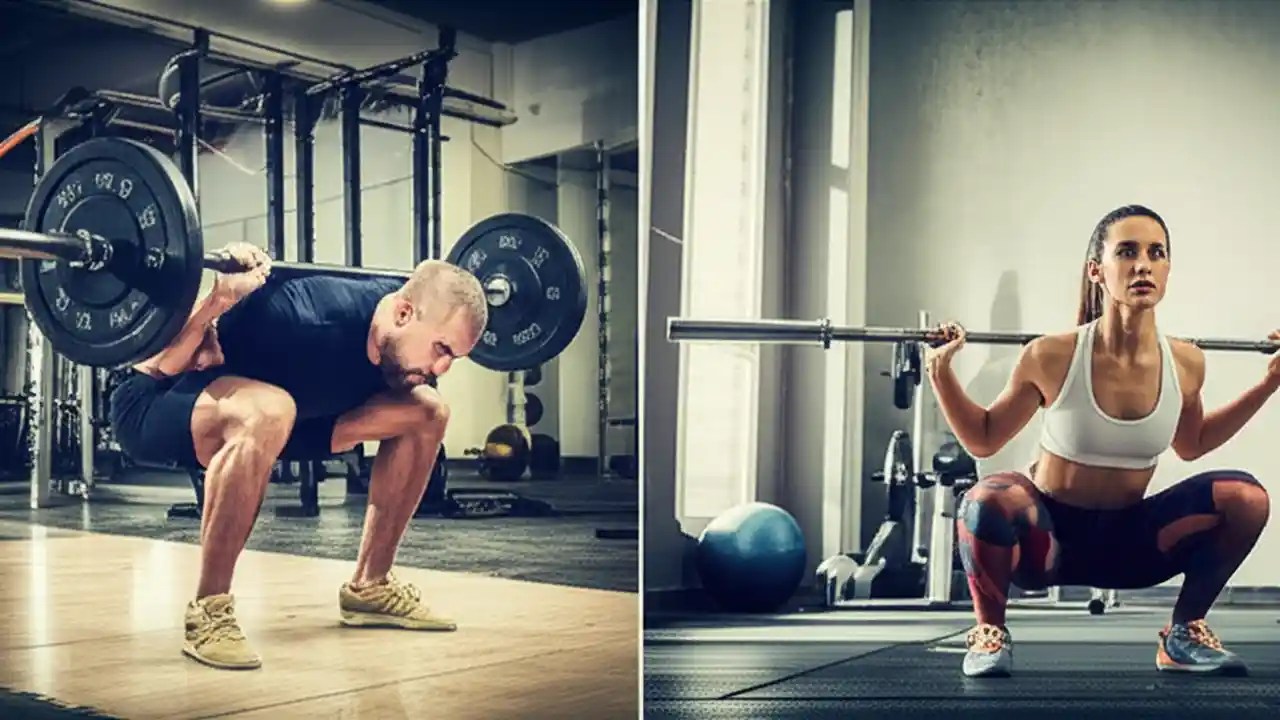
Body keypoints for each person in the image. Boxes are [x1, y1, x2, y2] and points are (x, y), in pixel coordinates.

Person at [924, 205, 1272, 678]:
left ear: (1168, 269)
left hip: (1129, 546)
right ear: (1096, 270)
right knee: (986, 500)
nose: (1143, 265)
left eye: (1156, 253)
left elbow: (1191, 443)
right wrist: (940, 372)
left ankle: (1183, 633)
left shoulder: (1187, 361)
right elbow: (983, 440)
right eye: (1127, 252)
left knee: (1247, 499)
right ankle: (990, 632)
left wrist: (1269, 384)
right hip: (1045, 544)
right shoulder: (1051, 354)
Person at [108, 242, 488, 671]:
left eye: (454, 357)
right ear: (403, 314)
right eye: (442, 350)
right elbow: (158, 367)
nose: (442, 368)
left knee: (428, 412)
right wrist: (217, 301)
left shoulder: (400, 330)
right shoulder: (290, 316)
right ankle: (209, 611)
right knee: (271, 409)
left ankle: (370, 587)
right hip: (156, 407)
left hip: (292, 422)